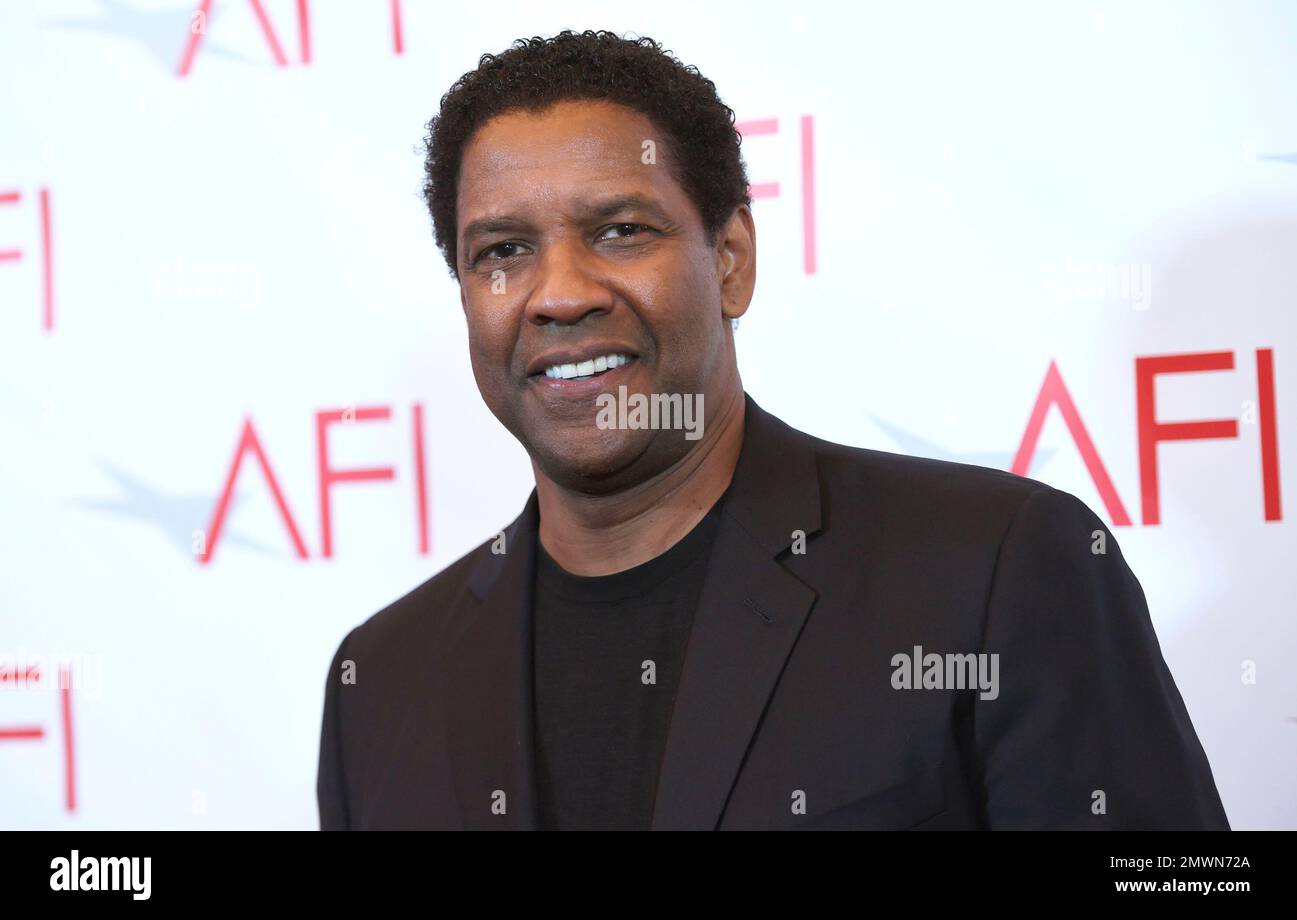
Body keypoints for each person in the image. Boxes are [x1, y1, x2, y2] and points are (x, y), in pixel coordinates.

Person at [316, 29, 1229, 830]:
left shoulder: (996, 569)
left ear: (732, 264)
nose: (560, 293)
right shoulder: (381, 683)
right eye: (503, 252)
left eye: (622, 230)